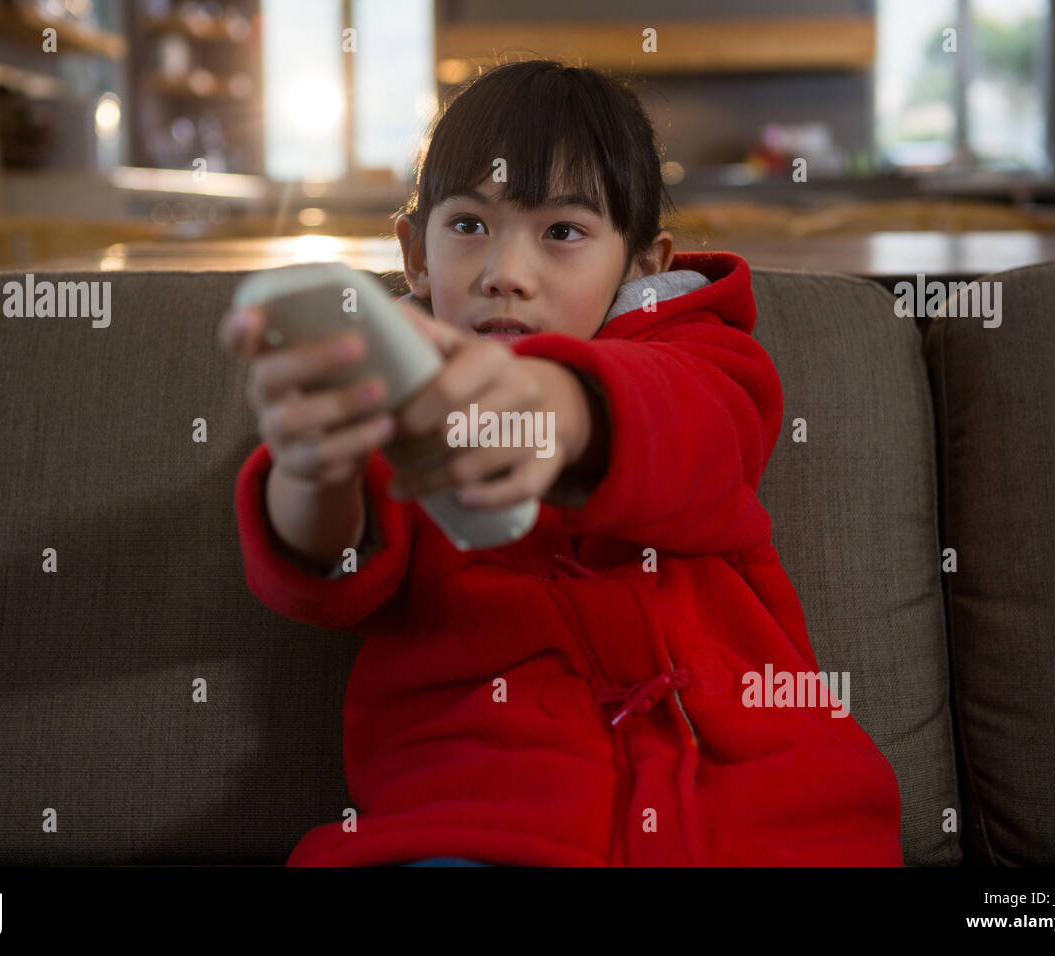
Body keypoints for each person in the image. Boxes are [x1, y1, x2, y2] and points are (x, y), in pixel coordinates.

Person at [219, 59, 904, 866]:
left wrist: (561, 407)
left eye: (563, 233)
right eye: (469, 225)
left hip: (763, 811)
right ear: (414, 253)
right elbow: (328, 572)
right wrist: (311, 469)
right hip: (477, 817)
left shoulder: (704, 355)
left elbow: (707, 436)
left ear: (643, 266)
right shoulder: (393, 389)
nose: (506, 273)